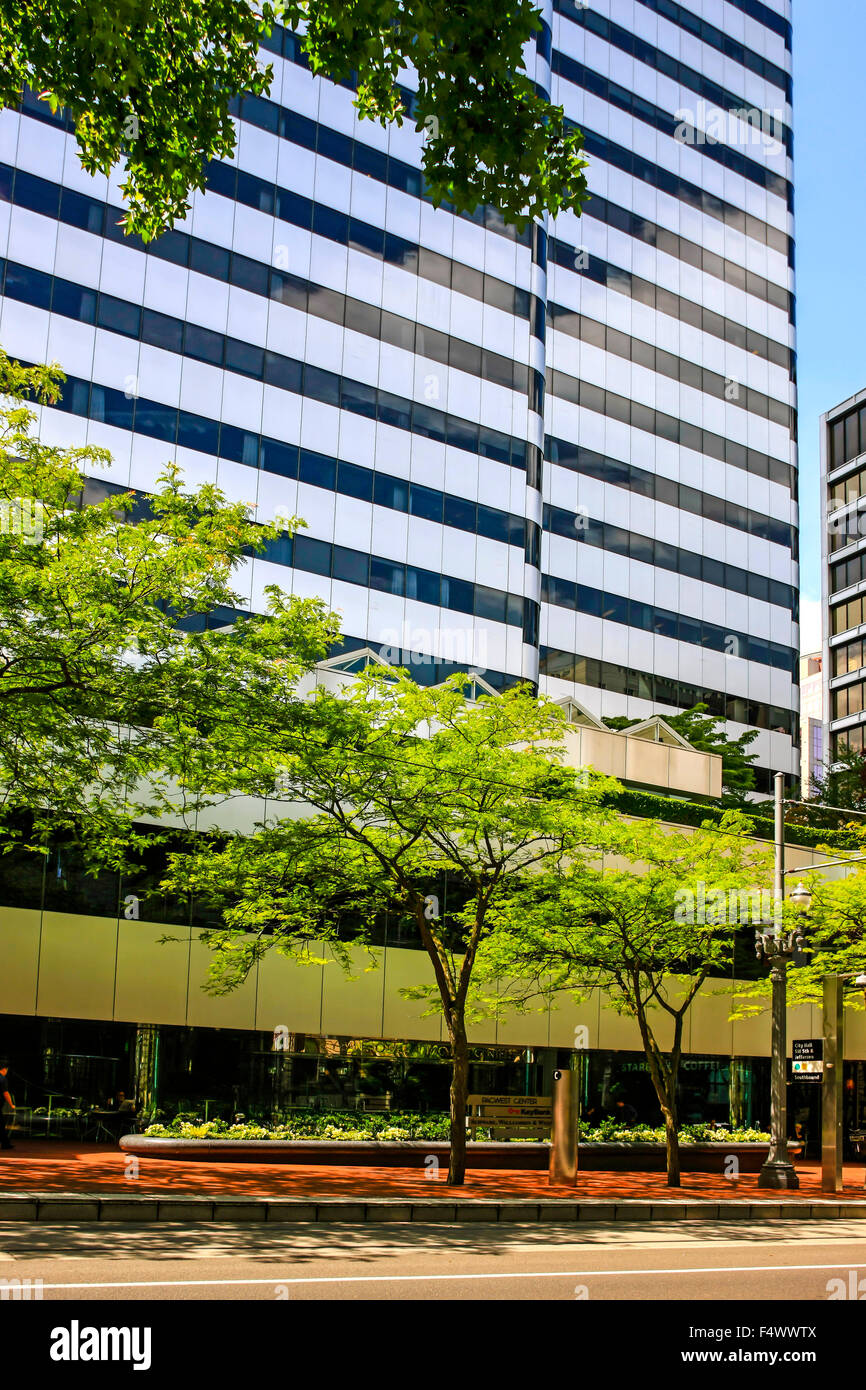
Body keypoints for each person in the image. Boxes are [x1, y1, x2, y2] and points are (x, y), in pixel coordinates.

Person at [0, 1060, 15, 1150]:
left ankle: (5, 1143)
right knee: (1, 1124)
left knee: (1, 1124)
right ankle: (5, 1143)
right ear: (4, 1069)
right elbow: (6, 1093)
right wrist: (11, 1104)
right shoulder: (2, 1079)